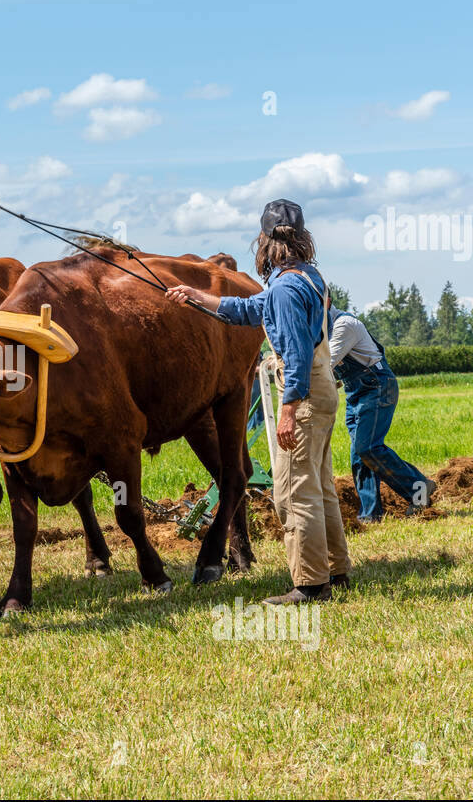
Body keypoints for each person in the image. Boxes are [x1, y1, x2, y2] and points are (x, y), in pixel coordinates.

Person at [166, 198, 350, 604]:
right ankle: (336, 572)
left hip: (301, 392)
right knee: (319, 485)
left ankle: (309, 584)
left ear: (265, 244)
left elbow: (297, 354)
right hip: (322, 387)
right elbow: (248, 309)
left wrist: (287, 409)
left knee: (292, 492)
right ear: (302, 240)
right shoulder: (307, 278)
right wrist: (195, 296)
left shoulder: (284, 288)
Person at [328, 305, 437, 521]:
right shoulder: (323, 328)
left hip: (376, 386)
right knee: (359, 455)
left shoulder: (343, 325)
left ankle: (419, 488)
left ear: (325, 302)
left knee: (367, 447)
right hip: (356, 390)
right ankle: (370, 515)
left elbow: (323, 365)